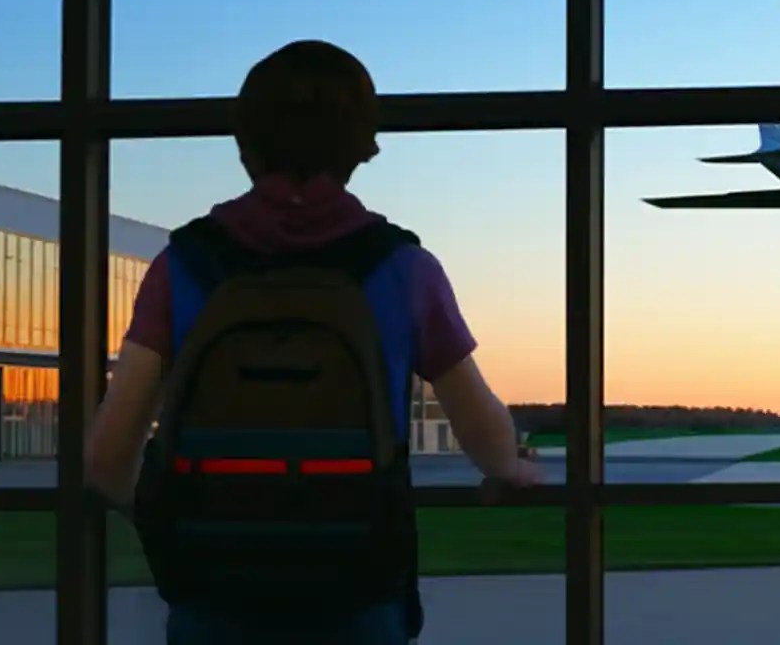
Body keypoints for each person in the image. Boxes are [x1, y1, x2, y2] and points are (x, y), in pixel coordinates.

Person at [83, 39, 543, 643]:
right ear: (361, 147)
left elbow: (108, 458)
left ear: (246, 143)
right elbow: (485, 438)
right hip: (357, 594)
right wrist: (510, 465)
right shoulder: (404, 267)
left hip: (216, 595)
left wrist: (171, 519)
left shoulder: (184, 265)